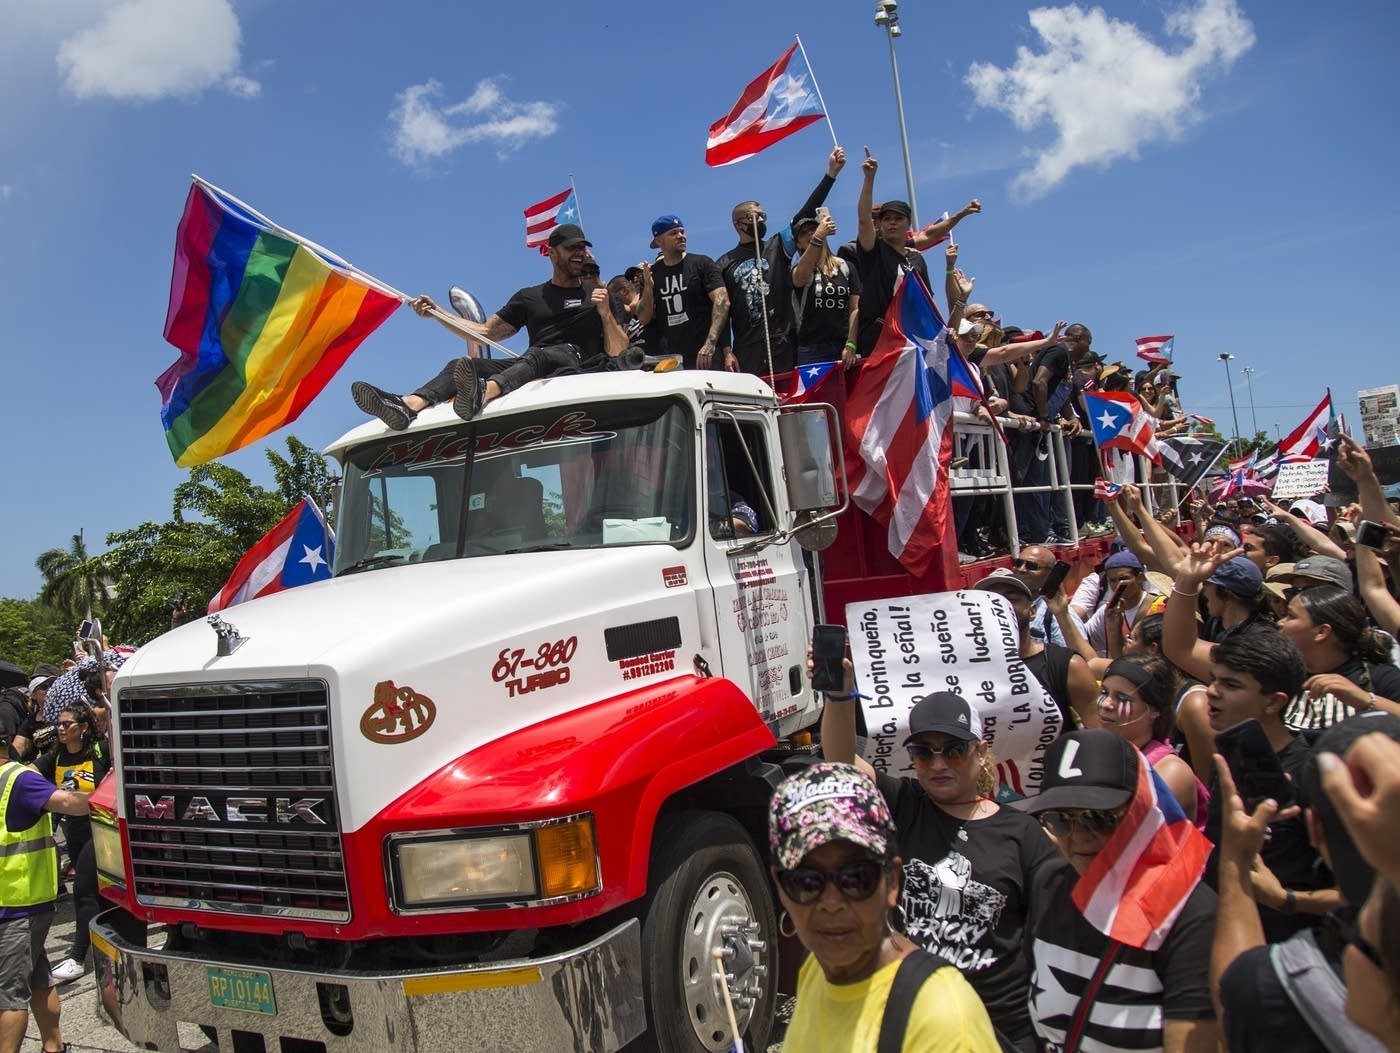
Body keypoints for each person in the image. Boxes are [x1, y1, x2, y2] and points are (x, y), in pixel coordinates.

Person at [820, 675, 1060, 1051]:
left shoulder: (1024, 835)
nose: (938, 764)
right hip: (913, 1022)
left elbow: (1054, 941)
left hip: (996, 1033)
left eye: (954, 750)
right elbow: (839, 763)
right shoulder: (905, 805)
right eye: (923, 752)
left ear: (981, 752)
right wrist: (838, 694)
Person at [769, 761, 1000, 1052]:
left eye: (856, 878)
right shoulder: (816, 967)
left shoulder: (940, 1019)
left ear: (892, 881)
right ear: (781, 888)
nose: (831, 904)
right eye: (806, 882)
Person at [1019, 730, 1219, 1052]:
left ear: (1139, 810)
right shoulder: (1049, 882)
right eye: (1060, 820)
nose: (1080, 836)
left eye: (1097, 819)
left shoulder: (1192, 916)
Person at [1212, 711, 1400, 1053]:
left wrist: (1234, 861)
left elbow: (1232, 997)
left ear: (1314, 827)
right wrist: (1289, 900)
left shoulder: (1278, 986)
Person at [349, 222, 630, 429]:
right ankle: (409, 405)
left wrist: (604, 313)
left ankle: (483, 393)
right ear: (551, 254)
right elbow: (484, 333)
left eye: (583, 248)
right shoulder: (529, 297)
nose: (580, 253)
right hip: (534, 366)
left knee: (539, 354)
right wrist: (437, 313)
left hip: (579, 366)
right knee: (463, 364)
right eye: (572, 248)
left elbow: (619, 352)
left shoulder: (601, 296)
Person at [1196, 631, 1331, 941]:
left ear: (1274, 701)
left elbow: (1361, 893)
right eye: (1212, 679)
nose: (1211, 692)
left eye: (1230, 685)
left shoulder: (1312, 776)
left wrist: (1287, 900)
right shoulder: (1230, 758)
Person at [715, 147, 847, 376]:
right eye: (754, 216)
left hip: (783, 342)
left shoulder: (777, 246)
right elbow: (721, 311)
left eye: (763, 216)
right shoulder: (724, 263)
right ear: (738, 223)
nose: (761, 220)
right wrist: (726, 350)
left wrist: (831, 175)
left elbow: (803, 214)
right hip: (747, 347)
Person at [0, 735, 91, 1053]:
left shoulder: (19, 779)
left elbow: (67, 803)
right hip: (12, 904)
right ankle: (54, 1047)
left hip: (20, 905)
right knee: (38, 978)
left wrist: (108, 798)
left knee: (7, 994)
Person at [851, 149, 979, 356]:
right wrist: (869, 179)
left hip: (912, 341)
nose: (891, 222)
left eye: (897, 218)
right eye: (886, 218)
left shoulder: (915, 258)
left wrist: (942, 331)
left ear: (908, 223)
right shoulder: (873, 250)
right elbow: (864, 219)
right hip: (878, 340)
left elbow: (927, 301)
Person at [32, 702, 108, 986]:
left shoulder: (101, 752)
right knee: (103, 894)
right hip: (73, 831)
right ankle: (113, 946)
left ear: (83, 727)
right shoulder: (55, 756)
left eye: (67, 724)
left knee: (84, 890)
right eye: (59, 725)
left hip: (100, 831)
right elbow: (28, 775)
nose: (60, 729)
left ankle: (77, 958)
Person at [975, 570, 1098, 735]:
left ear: (1032, 611)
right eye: (990, 600)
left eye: (1010, 599)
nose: (999, 607)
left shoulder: (1067, 666)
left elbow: (1099, 731)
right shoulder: (971, 670)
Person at [1094, 653, 1207, 826]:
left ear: (1154, 710)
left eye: (1122, 698)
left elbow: (1127, 838)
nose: (1106, 704)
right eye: (1104, 692)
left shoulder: (1170, 771)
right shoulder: (1099, 755)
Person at [1278, 584, 1400, 731]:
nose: (1280, 622)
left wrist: (1365, 700)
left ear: (1322, 632)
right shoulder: (1282, 676)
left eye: (1291, 616)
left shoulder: (1381, 677)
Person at [644, 215, 730, 370]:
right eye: (673, 233)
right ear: (658, 241)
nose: (681, 236)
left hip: (705, 356)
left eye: (682, 232)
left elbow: (722, 301)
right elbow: (644, 318)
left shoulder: (702, 263)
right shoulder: (654, 273)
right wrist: (648, 288)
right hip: (672, 360)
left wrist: (710, 344)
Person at [790, 211, 861, 368]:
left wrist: (851, 344)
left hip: (843, 346)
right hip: (812, 349)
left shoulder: (845, 266)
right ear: (798, 244)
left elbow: (854, 308)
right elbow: (800, 278)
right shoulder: (799, 269)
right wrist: (817, 237)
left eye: (814, 229)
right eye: (803, 233)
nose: (810, 233)